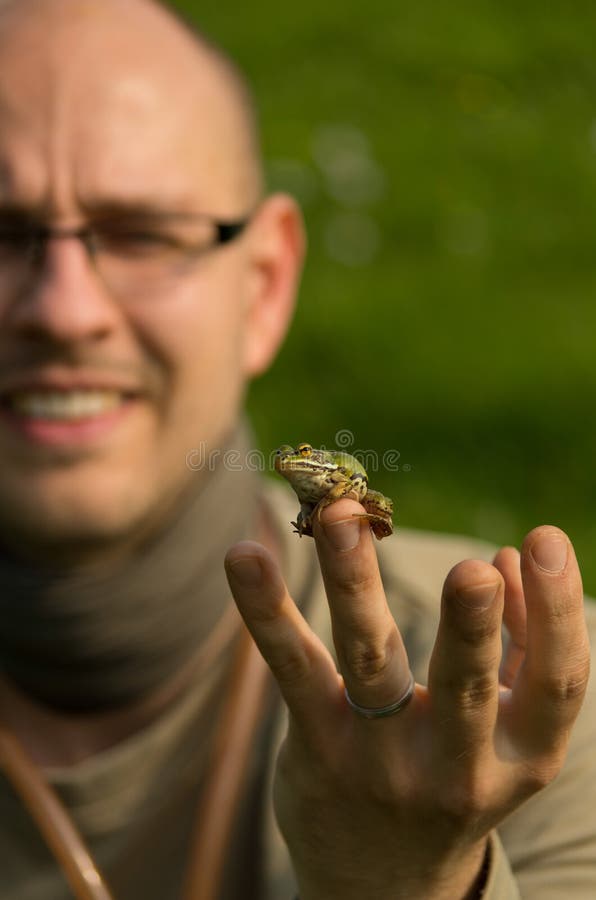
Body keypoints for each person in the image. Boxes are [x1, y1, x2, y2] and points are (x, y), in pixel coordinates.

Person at [0, 1, 593, 898]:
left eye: (145, 234)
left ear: (266, 285)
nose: (64, 309)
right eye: (3, 234)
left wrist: (406, 877)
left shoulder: (527, 697)